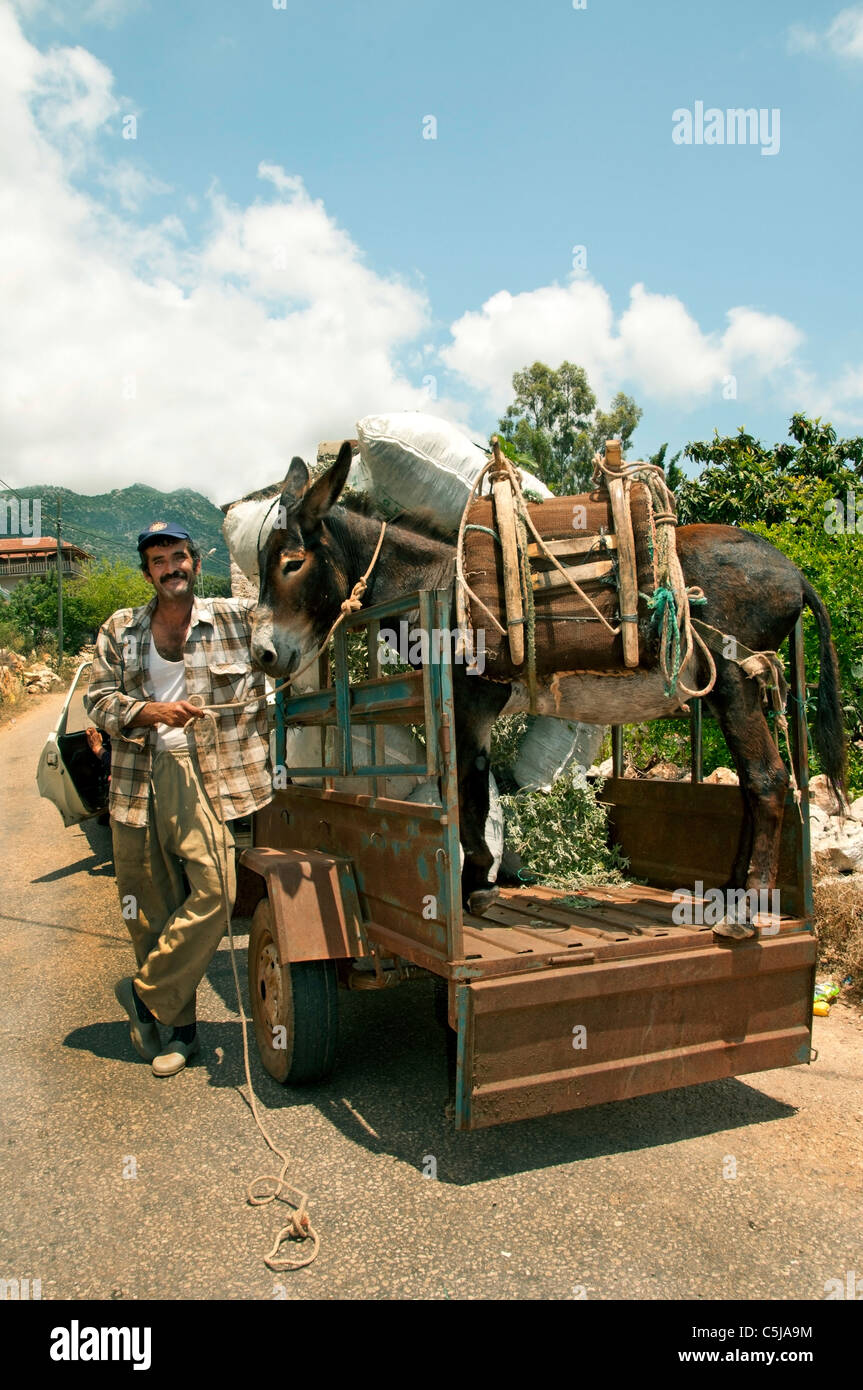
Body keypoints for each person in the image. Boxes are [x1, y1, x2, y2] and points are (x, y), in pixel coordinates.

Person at [85, 522, 272, 1075]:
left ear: (195, 560)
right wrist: (151, 712)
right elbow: (97, 701)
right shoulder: (119, 629)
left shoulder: (235, 617)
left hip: (202, 771)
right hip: (136, 777)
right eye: (160, 560)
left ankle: (145, 997)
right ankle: (178, 1035)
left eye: (180, 556)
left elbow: (291, 623)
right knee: (150, 913)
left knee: (218, 889)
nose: (172, 567)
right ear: (148, 573)